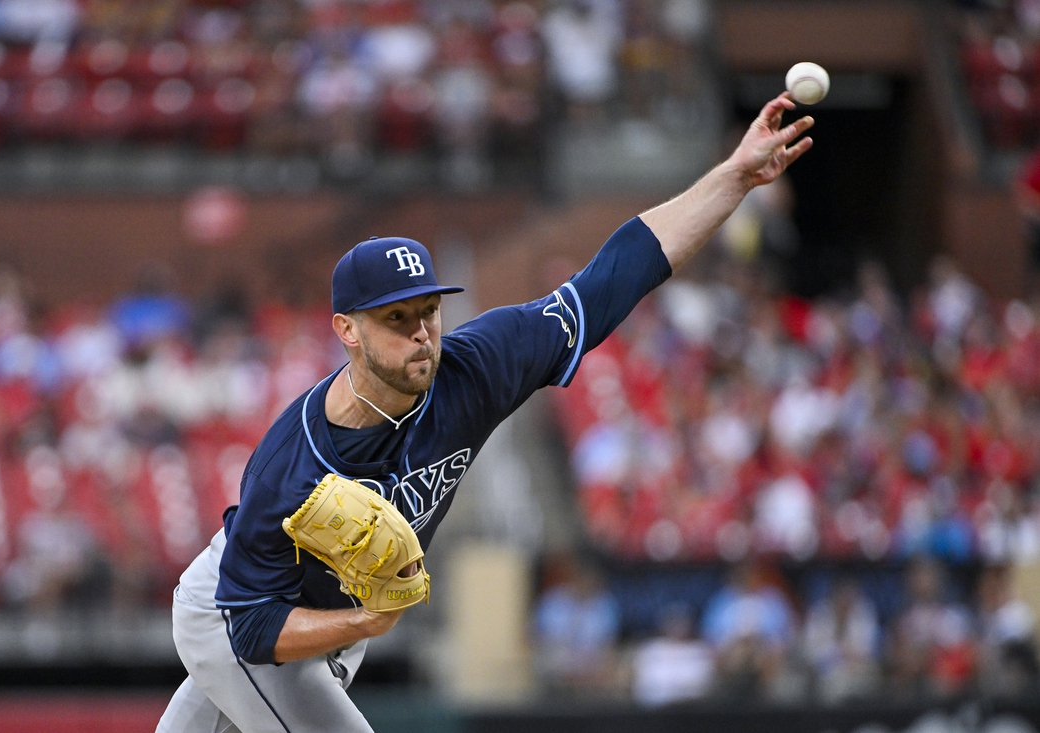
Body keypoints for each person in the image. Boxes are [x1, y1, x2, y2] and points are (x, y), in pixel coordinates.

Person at [155, 93, 814, 733]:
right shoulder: (294, 460)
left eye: (427, 310)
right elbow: (251, 627)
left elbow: (617, 273)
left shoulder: (477, 365)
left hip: (325, 621)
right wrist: (369, 622)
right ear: (347, 332)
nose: (420, 332)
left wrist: (732, 178)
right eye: (395, 318)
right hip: (240, 616)